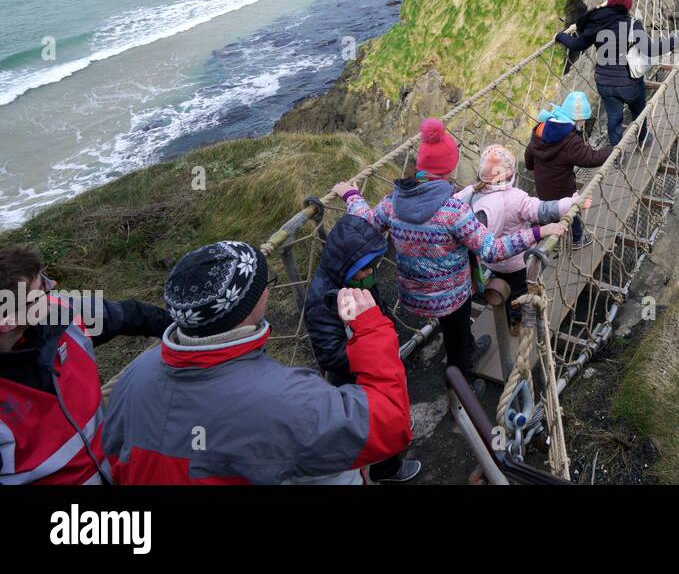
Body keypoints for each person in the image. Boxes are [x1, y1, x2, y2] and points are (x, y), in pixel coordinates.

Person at [101, 241, 412, 484]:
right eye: (267, 283)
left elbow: (114, 458)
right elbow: (389, 424)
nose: (267, 289)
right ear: (249, 305)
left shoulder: (134, 376)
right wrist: (371, 330)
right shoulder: (287, 401)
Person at [337, 119, 566, 378]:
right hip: (452, 296)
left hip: (414, 294)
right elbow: (491, 250)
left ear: (420, 165)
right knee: (455, 341)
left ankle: (469, 349)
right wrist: (538, 231)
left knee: (455, 332)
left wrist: (351, 196)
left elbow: (367, 223)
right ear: (449, 168)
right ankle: (461, 391)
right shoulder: (453, 211)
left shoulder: (392, 202)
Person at [1, 244, 169, 485]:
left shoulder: (61, 312)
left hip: (116, 463)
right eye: (42, 290)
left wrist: (192, 330)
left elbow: (130, 315)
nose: (54, 287)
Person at [304, 215, 421, 483]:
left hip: (377, 359)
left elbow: (374, 304)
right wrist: (372, 352)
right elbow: (328, 355)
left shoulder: (356, 278)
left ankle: (399, 425)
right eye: (364, 269)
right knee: (377, 421)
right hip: (357, 376)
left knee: (393, 403)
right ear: (346, 265)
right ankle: (387, 469)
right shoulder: (323, 301)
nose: (370, 273)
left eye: (373, 266)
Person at [454, 145, 591, 334]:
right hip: (518, 262)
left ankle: (509, 315)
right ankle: (519, 323)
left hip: (491, 262)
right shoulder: (516, 198)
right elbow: (545, 210)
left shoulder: (472, 192)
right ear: (512, 176)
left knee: (504, 286)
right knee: (521, 292)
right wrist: (574, 201)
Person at [556, 0, 676, 149]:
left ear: (610, 3)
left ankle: (617, 156)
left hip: (605, 84)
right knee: (639, 111)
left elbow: (577, 45)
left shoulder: (596, 24)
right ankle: (643, 139)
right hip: (629, 84)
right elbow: (651, 50)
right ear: (628, 5)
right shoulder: (633, 25)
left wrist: (560, 36)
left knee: (614, 120)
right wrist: (676, 41)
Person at [526, 92, 614, 249]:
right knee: (572, 210)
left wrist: (535, 167)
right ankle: (577, 240)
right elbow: (590, 158)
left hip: (542, 184)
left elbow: (529, 156)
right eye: (583, 120)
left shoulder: (541, 127)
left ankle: (554, 238)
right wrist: (613, 150)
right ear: (577, 119)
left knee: (550, 210)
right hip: (563, 187)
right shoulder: (570, 140)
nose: (584, 123)